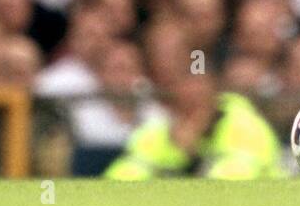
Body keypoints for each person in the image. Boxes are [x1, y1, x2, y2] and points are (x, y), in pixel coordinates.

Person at [104, 71, 283, 180]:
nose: (193, 93)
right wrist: (176, 151)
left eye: (200, 84)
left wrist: (189, 156)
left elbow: (230, 187)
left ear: (215, 89)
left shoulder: (246, 126)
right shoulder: (154, 132)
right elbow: (118, 183)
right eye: (186, 84)